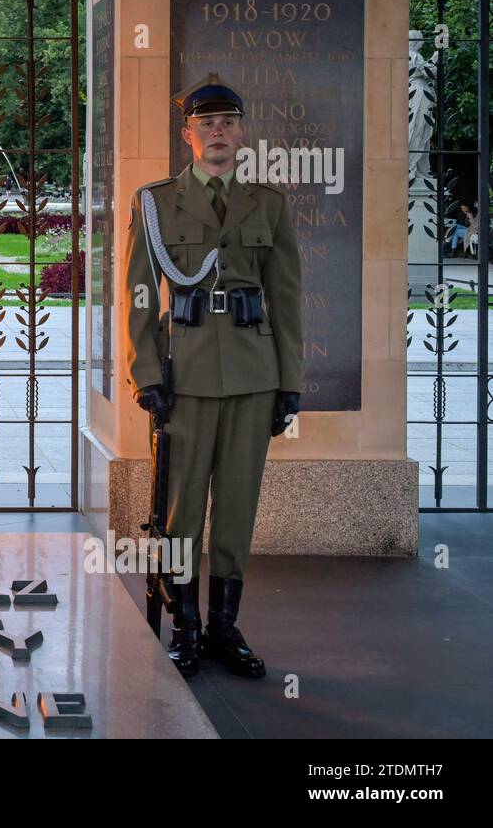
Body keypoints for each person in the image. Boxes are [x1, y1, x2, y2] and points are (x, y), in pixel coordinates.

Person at [123, 72, 303, 680]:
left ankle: (225, 627)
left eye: (227, 122)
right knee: (179, 512)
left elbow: (288, 299)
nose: (218, 132)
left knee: (236, 506)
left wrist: (290, 382)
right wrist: (147, 372)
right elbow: (142, 295)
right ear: (188, 135)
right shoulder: (155, 202)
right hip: (189, 373)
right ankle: (186, 626)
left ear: (242, 133)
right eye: (206, 124)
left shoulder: (269, 204)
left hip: (253, 374)